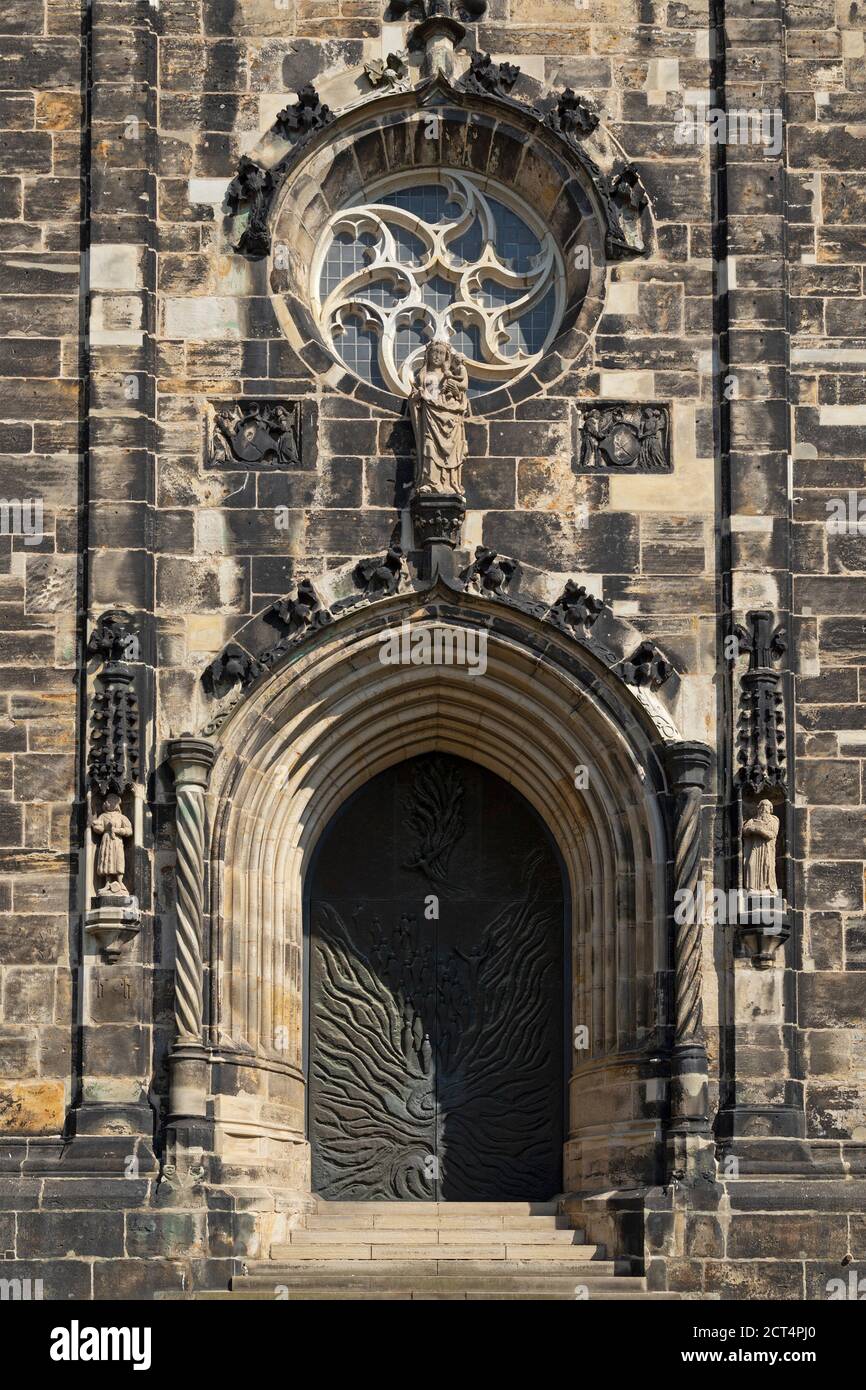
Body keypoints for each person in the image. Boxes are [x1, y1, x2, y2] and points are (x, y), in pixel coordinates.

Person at [409, 339, 468, 496]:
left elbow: (460, 398)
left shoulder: (450, 376)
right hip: (431, 418)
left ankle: (450, 482)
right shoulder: (425, 376)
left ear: (446, 356)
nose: (437, 356)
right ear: (428, 355)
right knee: (430, 447)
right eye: (434, 352)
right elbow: (420, 397)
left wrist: (455, 391)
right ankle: (430, 481)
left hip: (450, 418)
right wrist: (418, 396)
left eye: (441, 353)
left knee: (452, 452)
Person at [90, 791, 133, 896]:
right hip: (107, 840)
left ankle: (120, 882)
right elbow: (99, 828)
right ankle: (107, 883)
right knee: (107, 860)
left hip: (117, 841)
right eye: (108, 801)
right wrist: (97, 826)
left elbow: (129, 831)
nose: (110, 804)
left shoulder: (121, 817)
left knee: (118, 860)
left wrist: (116, 830)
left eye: (112, 802)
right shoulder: (103, 816)